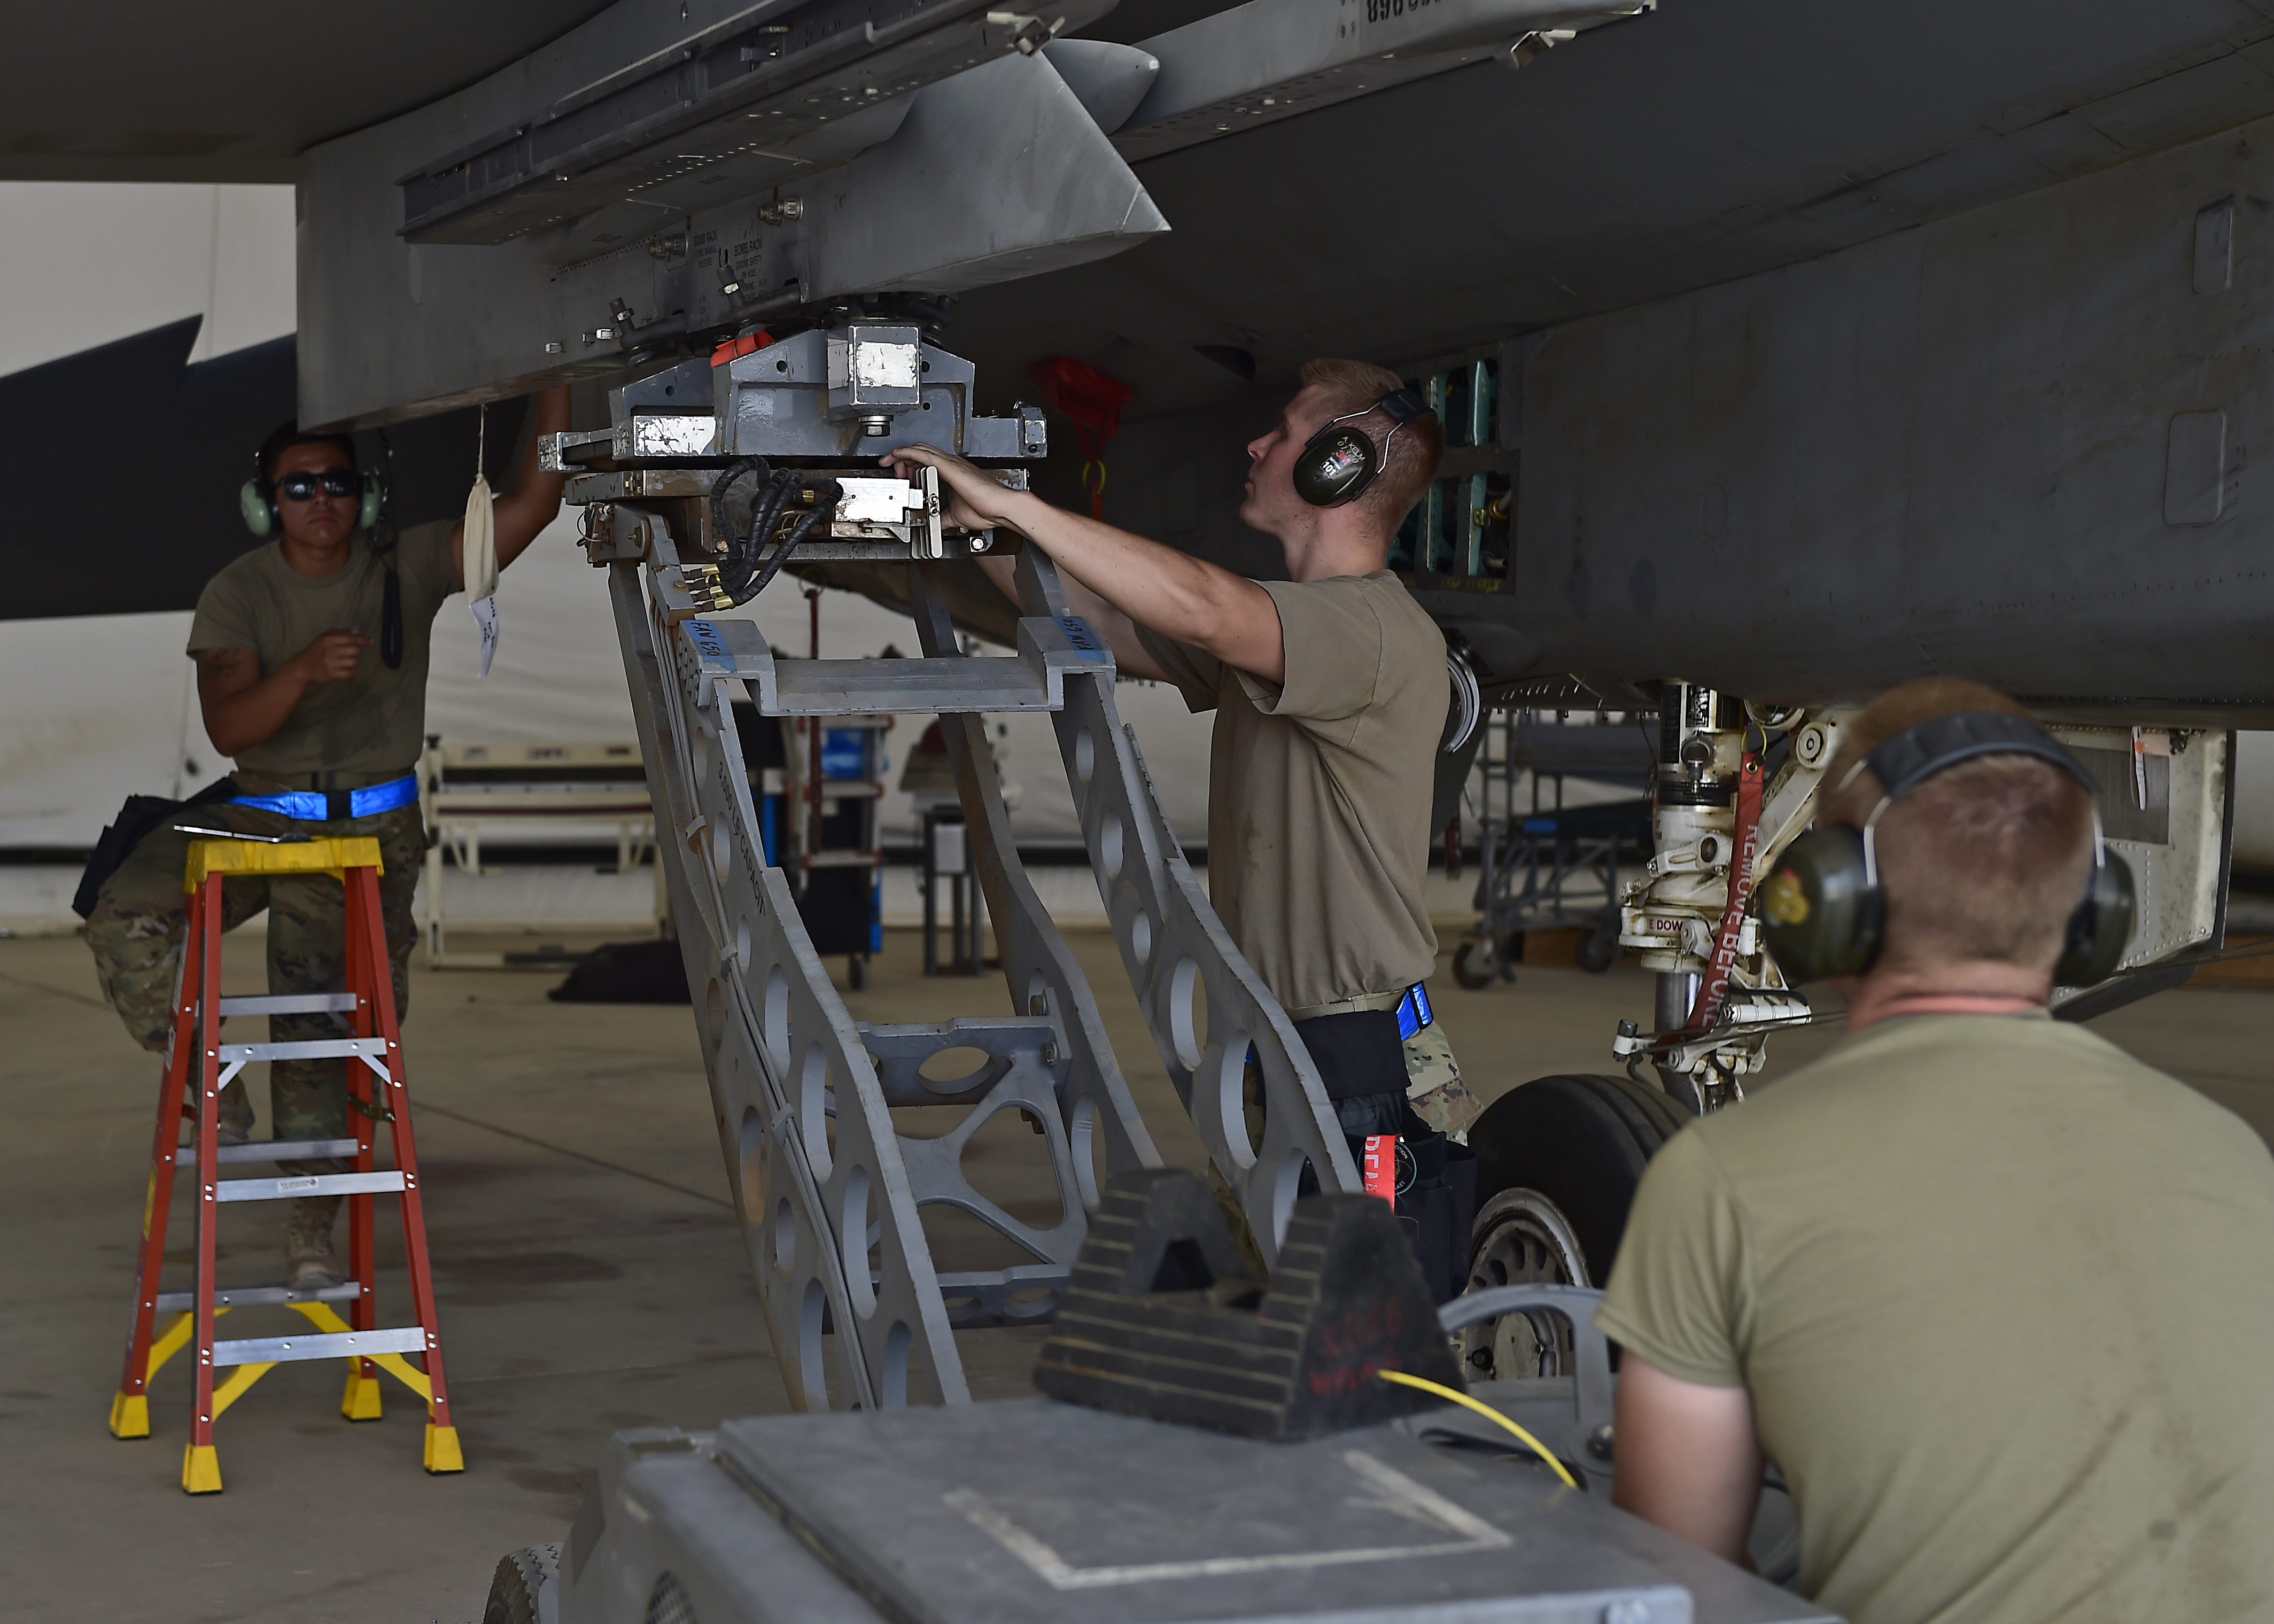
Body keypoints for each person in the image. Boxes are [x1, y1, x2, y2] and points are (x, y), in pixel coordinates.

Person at [1597, 676, 2274, 1622]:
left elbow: (1674, 1586)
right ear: (2093, 916)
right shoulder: (2237, 1162)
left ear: (1826, 899)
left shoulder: (1723, 1182)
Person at [882, 357, 1482, 1198]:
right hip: (1288, 1044)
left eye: (1286, 432)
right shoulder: (1287, 638)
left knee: (1365, 1316)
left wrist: (1020, 502)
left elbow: (1204, 606)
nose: (1258, 442)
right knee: (1297, 1304)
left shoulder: (1369, 631)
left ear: (1340, 462)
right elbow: (1105, 622)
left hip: (1356, 1057)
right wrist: (985, 524)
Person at [86, 389, 573, 1289]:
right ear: (267, 502)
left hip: (371, 836)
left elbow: (532, 506)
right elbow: (232, 726)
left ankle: (311, 1233)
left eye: (338, 483)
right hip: (262, 811)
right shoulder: (239, 593)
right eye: (300, 486)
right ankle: (208, 1079)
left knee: (329, 1038)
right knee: (122, 906)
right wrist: (305, 671)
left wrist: (557, 386)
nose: (321, 500)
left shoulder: (413, 563)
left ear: (367, 497)